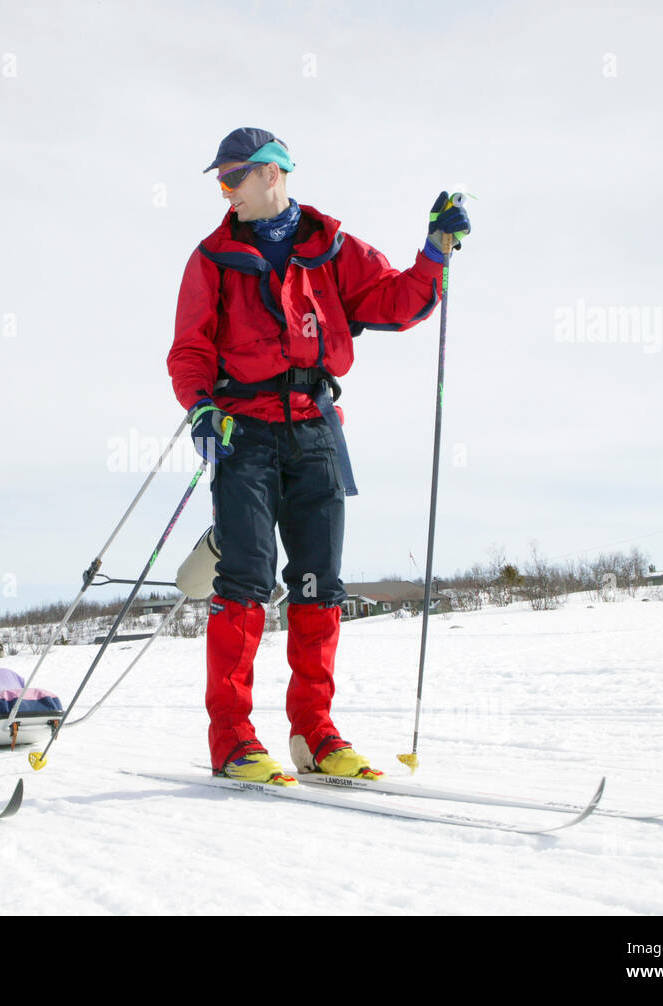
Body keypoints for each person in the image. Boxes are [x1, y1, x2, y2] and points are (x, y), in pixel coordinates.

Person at [167, 128, 471, 785]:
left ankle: (314, 732)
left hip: (316, 430)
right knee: (246, 578)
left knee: (318, 584)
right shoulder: (213, 258)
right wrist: (199, 405)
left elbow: (397, 300)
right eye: (220, 181)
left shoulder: (331, 247)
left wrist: (435, 251)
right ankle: (234, 740)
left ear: (271, 173)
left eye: (231, 178)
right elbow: (190, 346)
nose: (224, 191)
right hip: (242, 430)